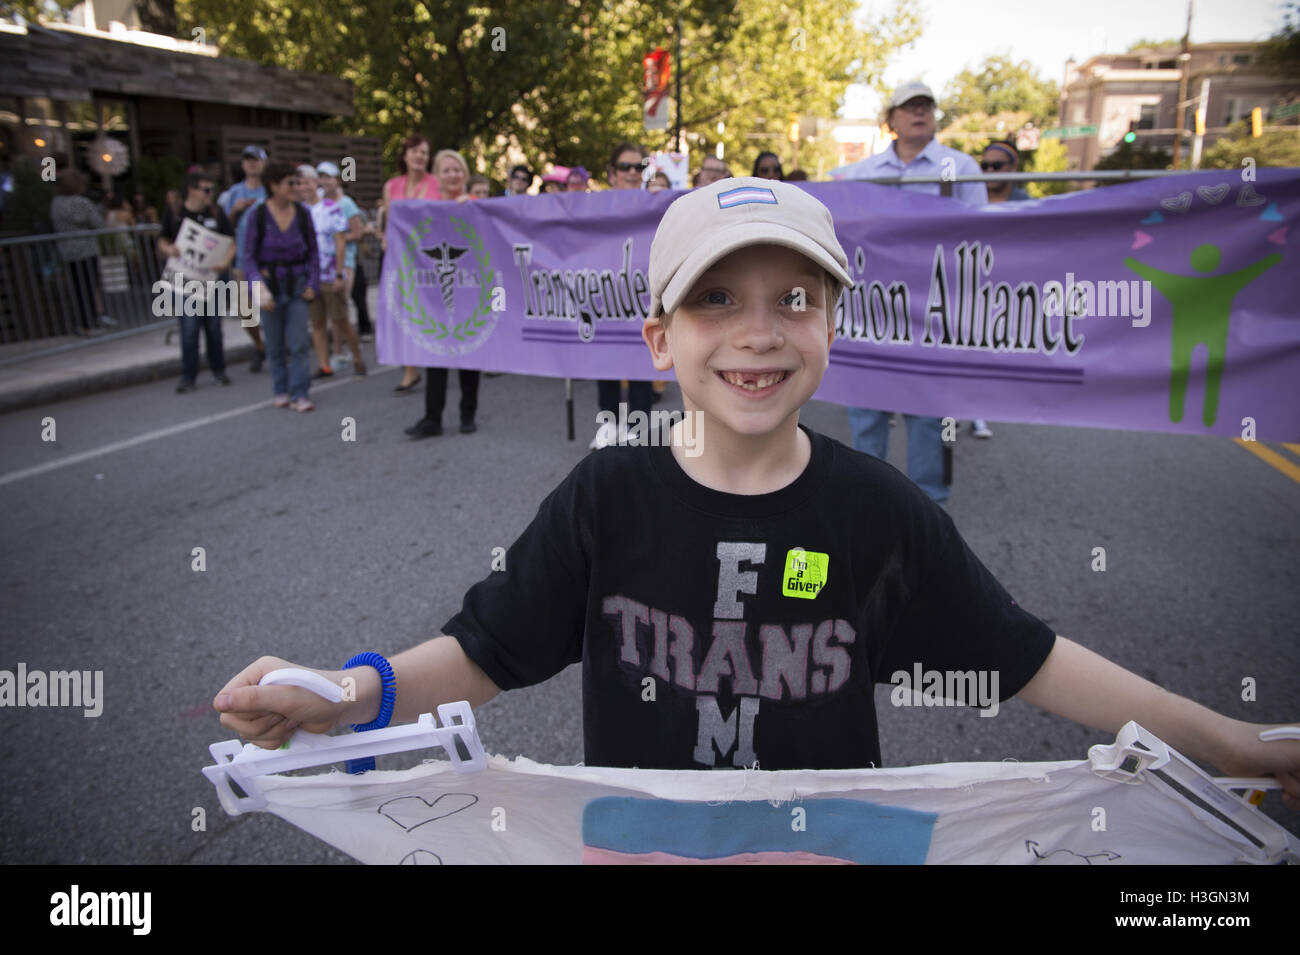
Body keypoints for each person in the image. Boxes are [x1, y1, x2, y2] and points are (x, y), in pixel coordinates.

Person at [215, 178, 1300, 806]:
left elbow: (1033, 658)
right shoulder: (606, 495)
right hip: (635, 844)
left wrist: (1233, 744)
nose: (757, 331)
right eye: (715, 299)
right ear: (658, 340)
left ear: (831, 326)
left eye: (793, 297)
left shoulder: (877, 510)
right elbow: (483, 652)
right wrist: (343, 692)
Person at [837, 80, 990, 500]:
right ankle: (869, 508)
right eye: (909, 107)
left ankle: (931, 517)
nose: (919, 112)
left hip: (933, 317)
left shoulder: (961, 167)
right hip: (874, 317)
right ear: (891, 121)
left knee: (930, 416)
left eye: (926, 105)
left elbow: (980, 236)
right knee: (867, 415)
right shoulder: (862, 173)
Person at [405, 149, 480, 439]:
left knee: (468, 354)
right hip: (435, 292)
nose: (452, 175)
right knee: (436, 356)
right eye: (446, 170)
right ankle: (432, 418)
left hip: (471, 289)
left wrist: (469, 208)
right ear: (437, 176)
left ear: (465, 174)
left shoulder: (475, 205)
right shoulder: (427, 208)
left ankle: (467, 413)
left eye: (457, 170)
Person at [590, 142, 653, 449]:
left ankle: (637, 426)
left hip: (643, 294)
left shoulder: (655, 203)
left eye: (639, 167)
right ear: (612, 173)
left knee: (641, 357)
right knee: (608, 357)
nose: (632, 173)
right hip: (607, 293)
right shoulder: (597, 207)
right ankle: (608, 423)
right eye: (625, 167)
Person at [242, 162, 319, 412]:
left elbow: (314, 252)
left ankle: (300, 393)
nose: (296, 188)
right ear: (273, 185)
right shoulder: (259, 215)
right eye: (290, 183)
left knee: (298, 343)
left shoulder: (303, 213)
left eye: (297, 182)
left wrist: (312, 283)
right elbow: (249, 256)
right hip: (270, 286)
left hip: (296, 284)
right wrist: (258, 286)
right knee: (274, 343)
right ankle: (280, 389)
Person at [158, 171, 235, 392]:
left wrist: (226, 262)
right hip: (185, 280)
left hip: (212, 279)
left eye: (212, 190)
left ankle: (218, 370)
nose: (210, 194)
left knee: (214, 328)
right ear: (192, 190)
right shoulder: (175, 213)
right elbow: (162, 238)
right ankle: (188, 376)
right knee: (189, 328)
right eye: (206, 190)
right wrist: (168, 249)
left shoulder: (216, 212)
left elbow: (230, 242)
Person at [380, 134, 440, 393]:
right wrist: (385, 238)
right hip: (401, 258)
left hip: (430, 258)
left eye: (424, 153)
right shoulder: (392, 186)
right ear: (404, 155)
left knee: (431, 311)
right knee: (402, 311)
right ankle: (410, 369)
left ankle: (438, 355)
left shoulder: (436, 184)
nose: (419, 156)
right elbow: (389, 220)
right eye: (415, 151)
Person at [307, 162, 367, 377]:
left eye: (328, 177)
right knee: (318, 320)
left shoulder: (343, 205)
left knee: (339, 316)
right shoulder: (307, 209)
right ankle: (329, 361)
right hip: (314, 273)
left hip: (341, 265)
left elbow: (354, 234)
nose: (324, 181)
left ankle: (352, 356)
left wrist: (333, 238)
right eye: (321, 177)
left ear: (337, 179)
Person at [222, 146, 269, 373]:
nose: (251, 164)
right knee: (245, 311)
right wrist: (235, 211)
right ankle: (260, 347)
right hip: (243, 261)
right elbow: (224, 227)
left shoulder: (270, 190)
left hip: (269, 261)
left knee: (272, 306)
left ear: (263, 163)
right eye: (248, 160)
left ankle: (278, 346)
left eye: (256, 160)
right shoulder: (233, 194)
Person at [50, 167, 111, 334]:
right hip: (86, 250)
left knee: (78, 288)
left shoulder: (56, 203)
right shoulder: (81, 203)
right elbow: (97, 223)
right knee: (90, 287)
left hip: (67, 251)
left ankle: (86, 323)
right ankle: (89, 323)